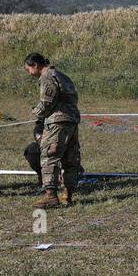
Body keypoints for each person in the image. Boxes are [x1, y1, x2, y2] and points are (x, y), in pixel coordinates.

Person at [25, 53, 83, 207]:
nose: (29, 73)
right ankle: (67, 194)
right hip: (71, 121)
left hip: (57, 122)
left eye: (28, 69)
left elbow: (46, 102)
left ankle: (50, 195)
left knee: (50, 155)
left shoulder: (47, 77)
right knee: (70, 158)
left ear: (35, 65)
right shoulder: (61, 75)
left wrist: (35, 114)